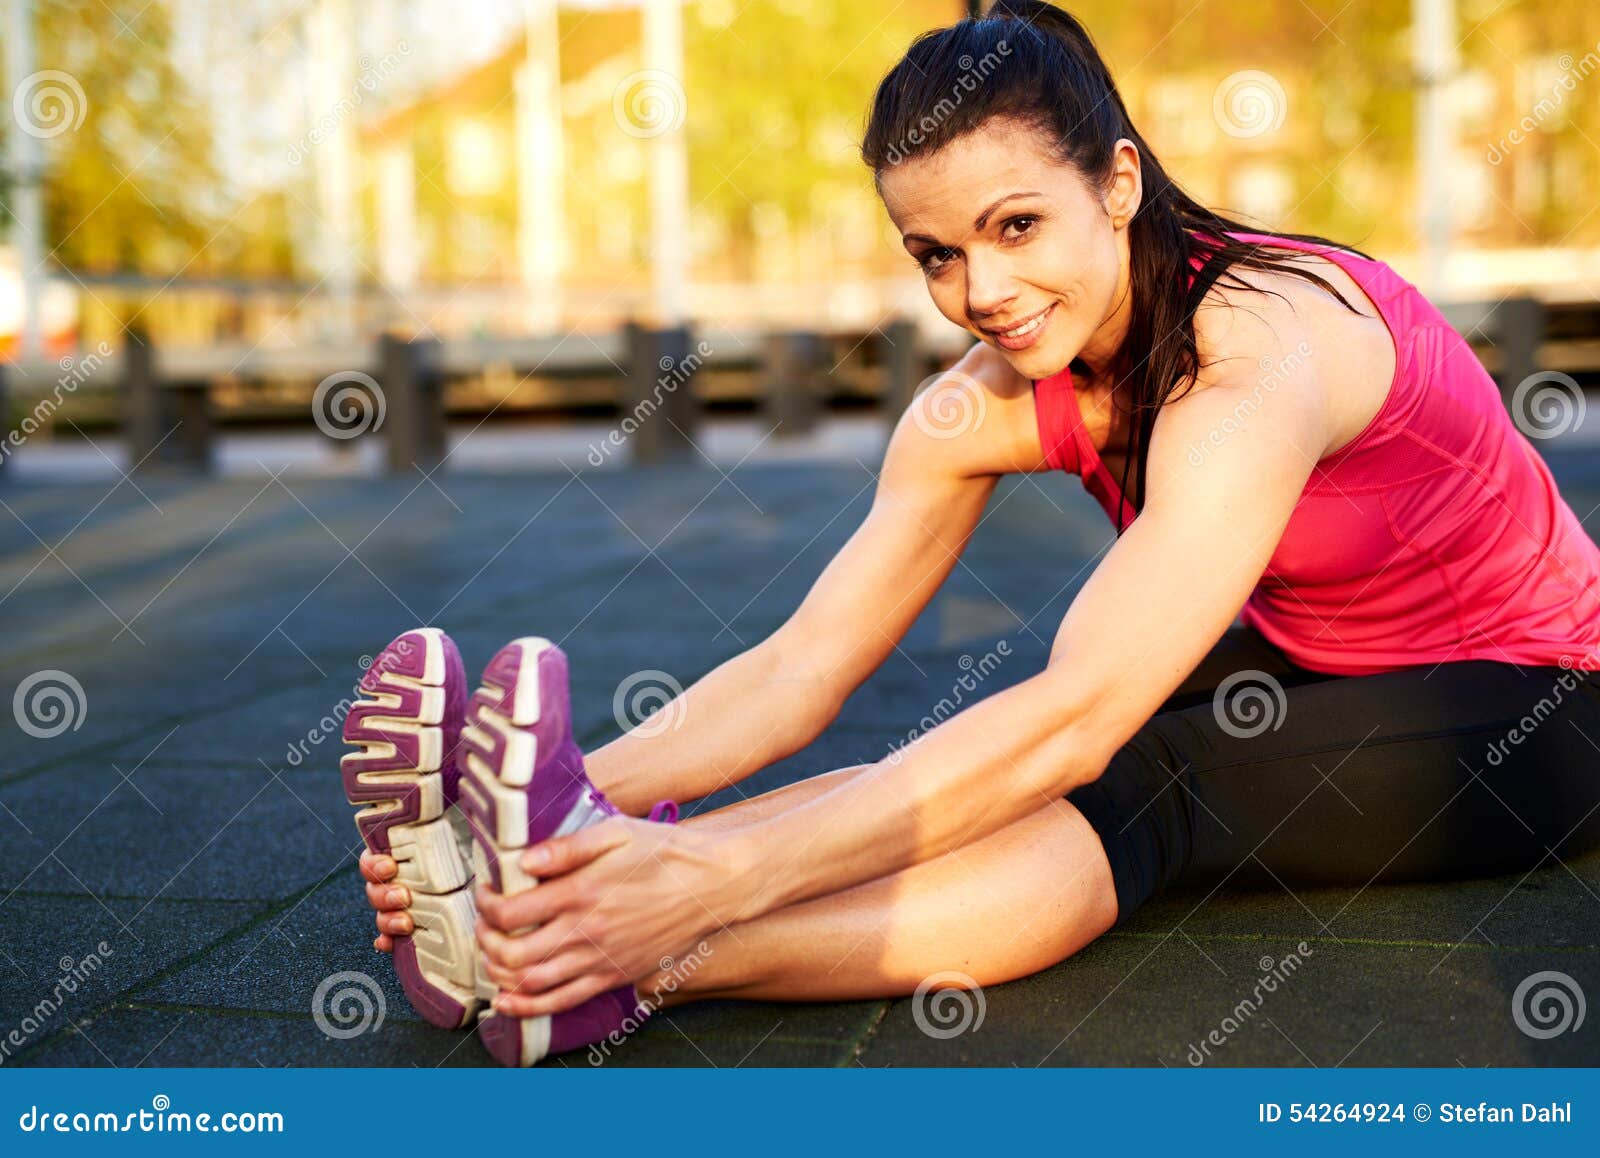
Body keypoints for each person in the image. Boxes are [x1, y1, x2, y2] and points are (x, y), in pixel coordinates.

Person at [344, 0, 1600, 1065]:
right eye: (934, 253)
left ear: (1116, 182)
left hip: (1541, 701)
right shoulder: (981, 403)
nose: (980, 292)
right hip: (1323, 663)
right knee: (969, 759)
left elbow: (1077, 716)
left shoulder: (1265, 347)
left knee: (1131, 781)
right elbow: (799, 670)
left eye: (1014, 228)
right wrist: (549, 802)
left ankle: (635, 964)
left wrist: (731, 879)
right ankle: (555, 881)